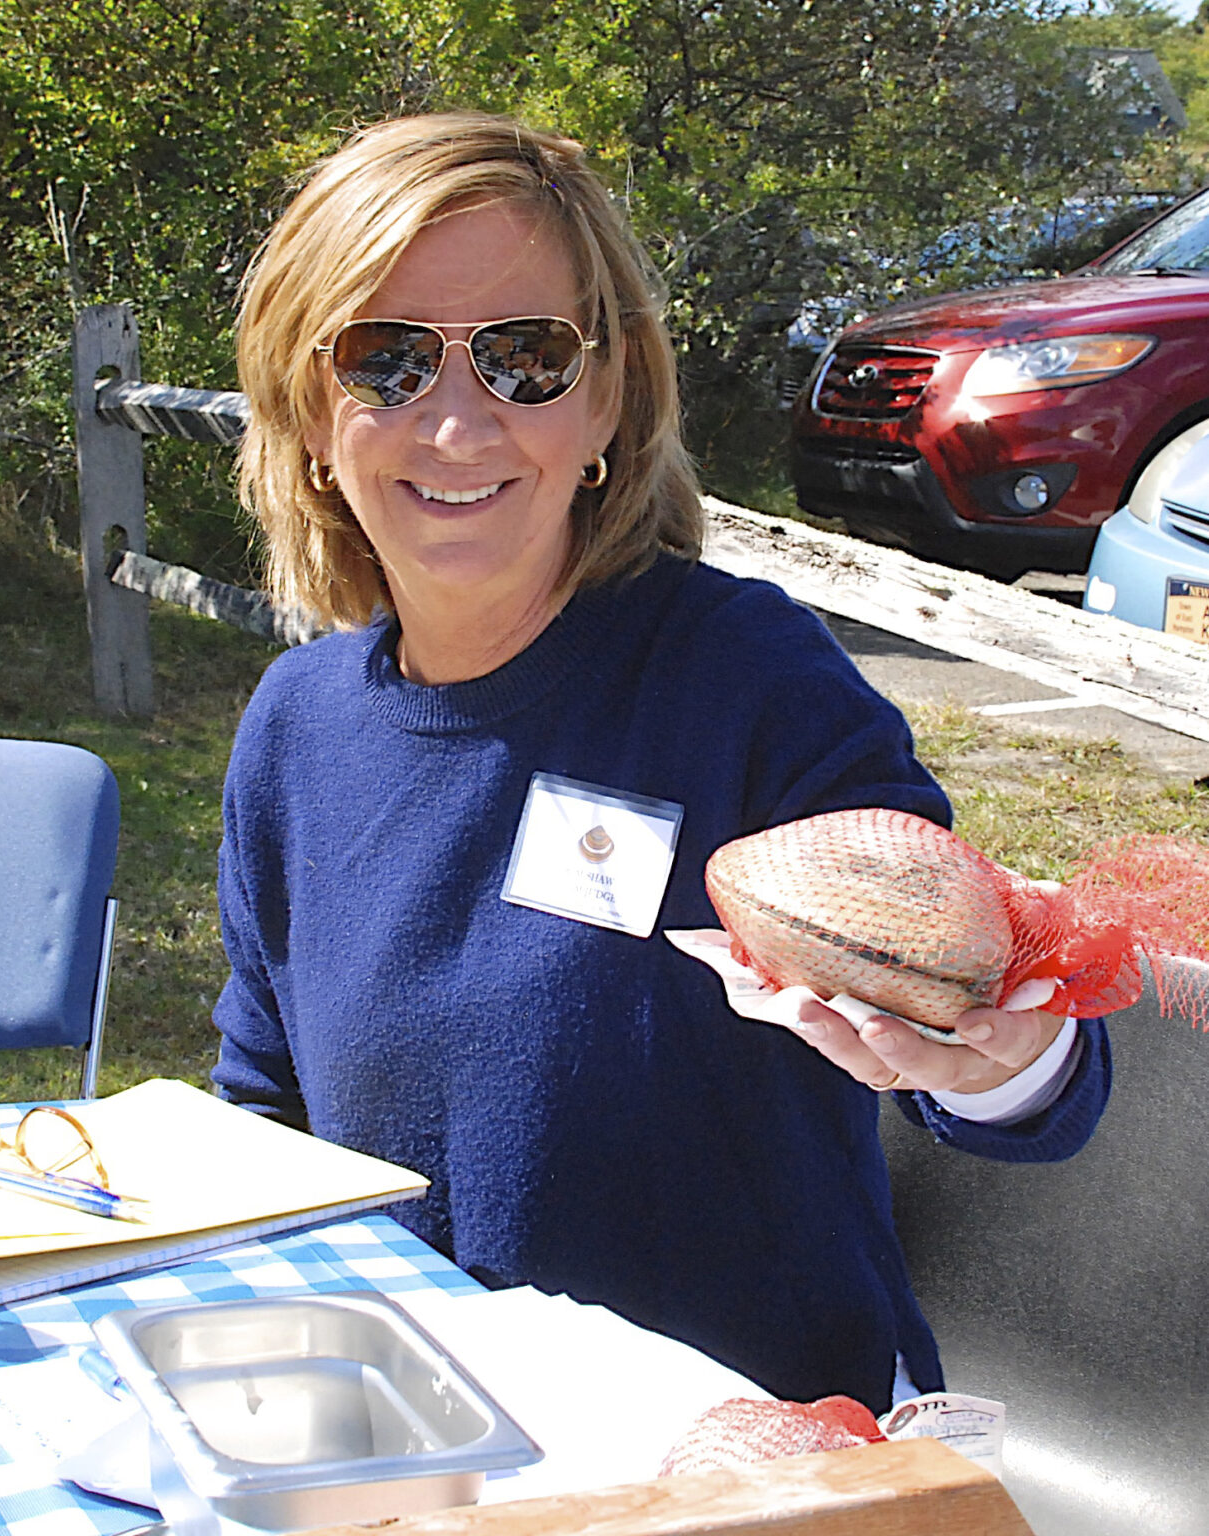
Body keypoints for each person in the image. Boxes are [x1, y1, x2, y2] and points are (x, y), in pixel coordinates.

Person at [213, 111, 1111, 1413]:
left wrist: (1001, 1060)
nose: (455, 422)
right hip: (416, 1431)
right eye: (385, 359)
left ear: (607, 398)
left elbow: (1004, 1040)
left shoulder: (744, 676)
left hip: (747, 1447)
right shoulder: (293, 727)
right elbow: (262, 1107)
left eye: (524, 357)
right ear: (308, 411)